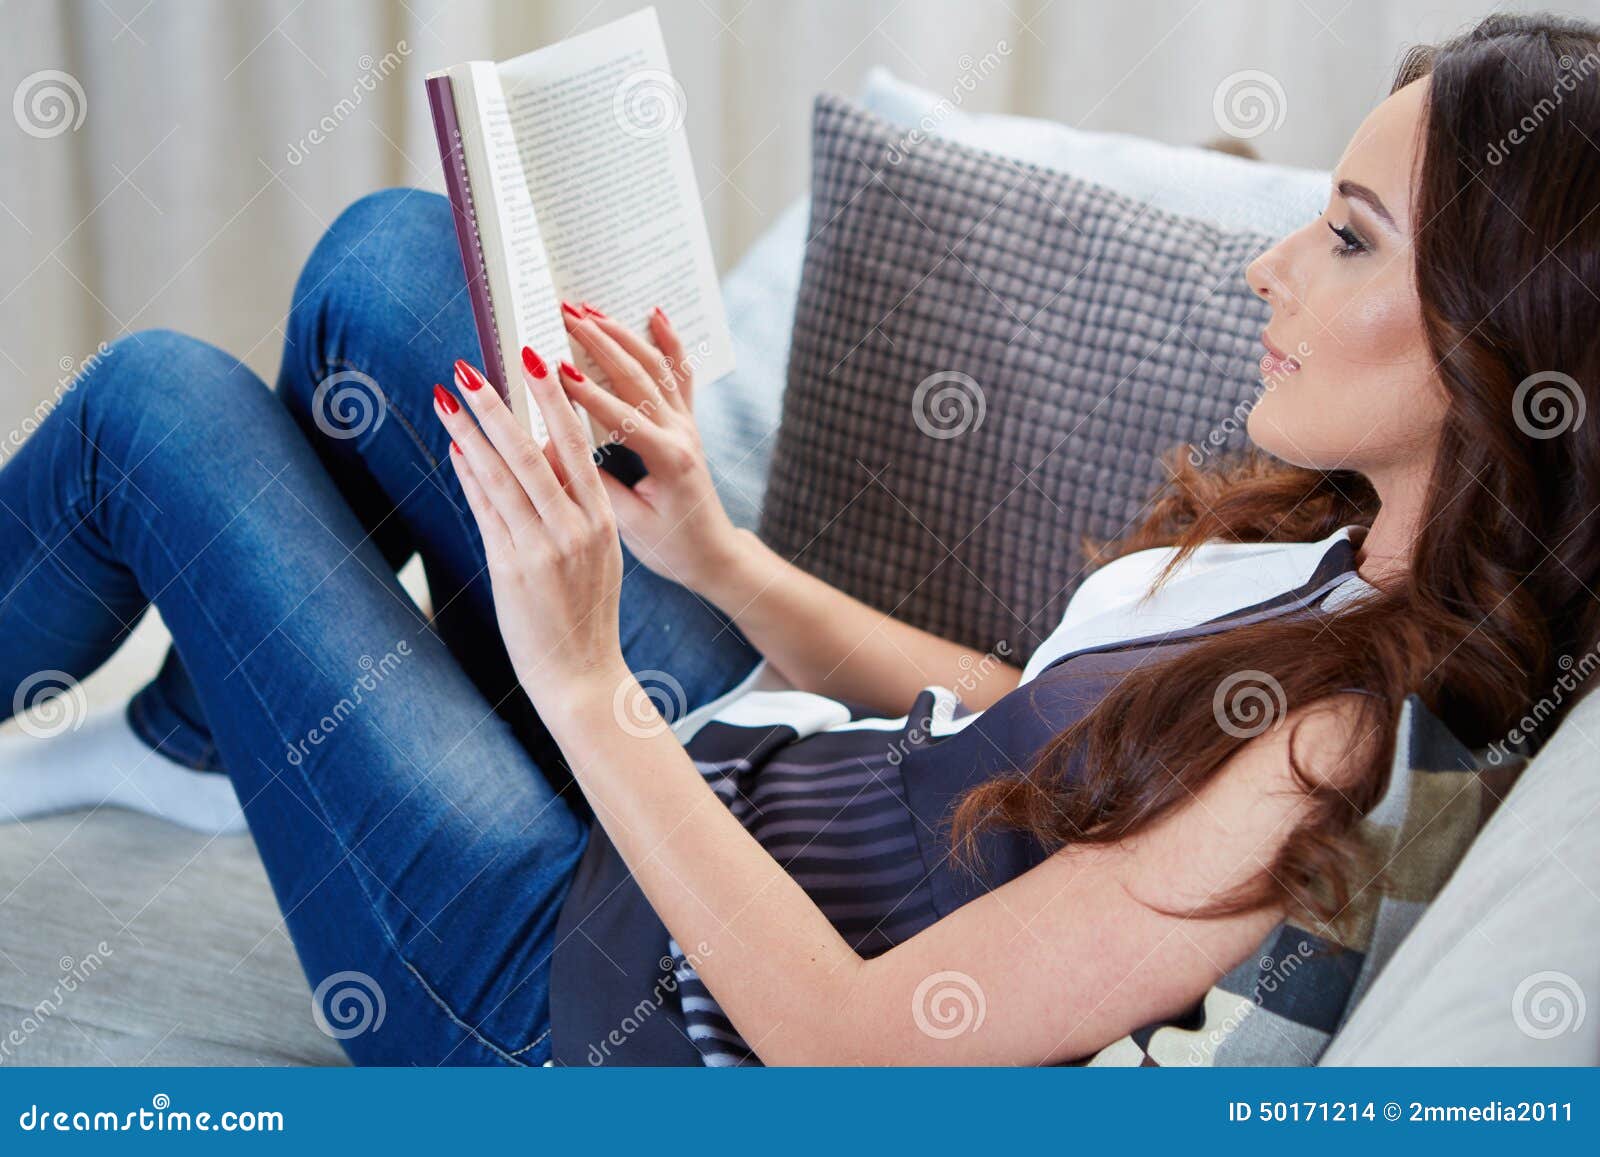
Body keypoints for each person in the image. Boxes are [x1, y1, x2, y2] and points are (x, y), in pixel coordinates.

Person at [3, 12, 1596, 1065]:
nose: (1269, 268)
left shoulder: (1335, 755)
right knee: (393, 265)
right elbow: (1011, 695)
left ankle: (216, 726)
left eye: (1344, 237)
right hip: (741, 778)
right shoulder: (1355, 550)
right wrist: (708, 547)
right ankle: (208, 736)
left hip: (595, 999)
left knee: (156, 407)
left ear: (1500, 344)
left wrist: (582, 685)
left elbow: (849, 1052)